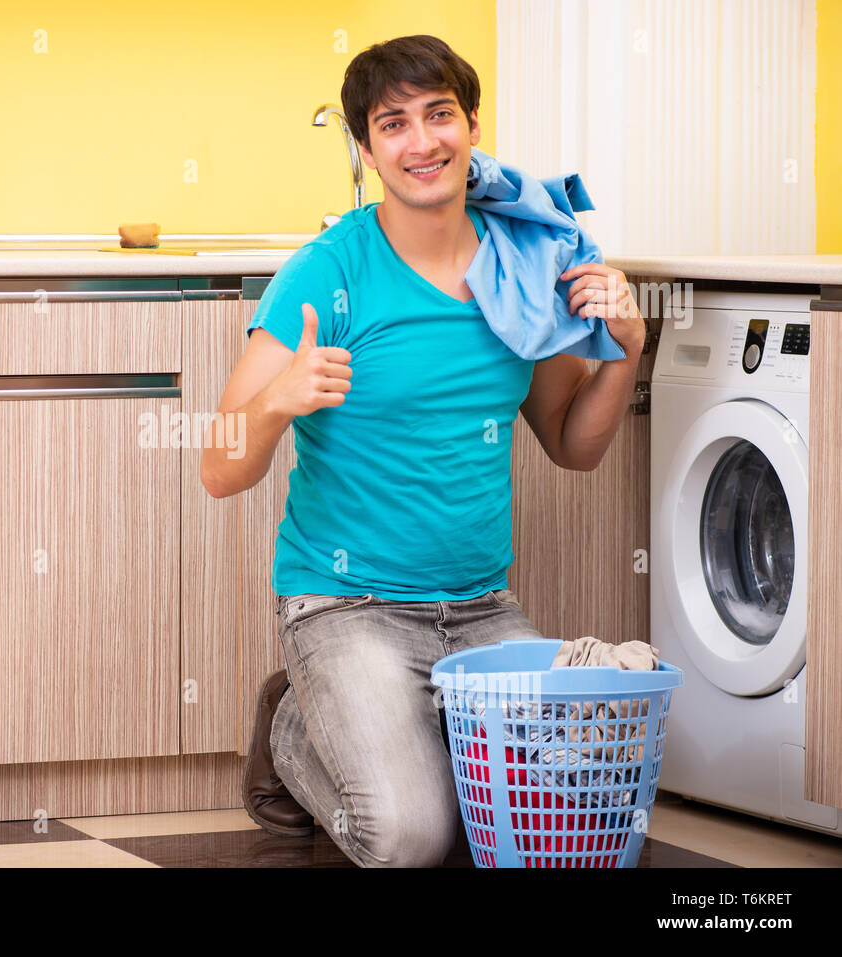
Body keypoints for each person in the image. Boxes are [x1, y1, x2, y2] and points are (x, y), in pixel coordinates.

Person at [199, 34, 646, 867]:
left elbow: (571, 445)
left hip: (481, 607)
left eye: (439, 114)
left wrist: (628, 346)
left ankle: (383, 730)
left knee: (547, 818)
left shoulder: (521, 265)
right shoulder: (326, 274)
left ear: (472, 124)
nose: (422, 141)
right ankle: (295, 726)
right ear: (366, 150)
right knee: (413, 837)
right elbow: (219, 465)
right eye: (393, 124)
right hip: (345, 607)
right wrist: (277, 400)